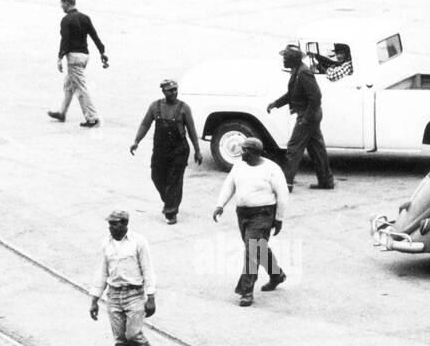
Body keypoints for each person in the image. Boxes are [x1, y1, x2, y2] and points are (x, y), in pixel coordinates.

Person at [89, 209, 159, 346]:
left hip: (134, 294)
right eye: (110, 224)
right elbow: (102, 272)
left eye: (115, 224)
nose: (111, 228)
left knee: (133, 333)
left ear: (125, 224)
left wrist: (151, 296)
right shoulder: (106, 244)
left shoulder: (138, 242)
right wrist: (94, 299)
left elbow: (148, 269)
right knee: (120, 340)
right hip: (113, 295)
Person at [212, 137, 288, 307]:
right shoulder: (239, 166)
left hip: (263, 213)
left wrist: (279, 219)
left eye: (245, 149)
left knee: (252, 249)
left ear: (254, 152)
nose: (241, 152)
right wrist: (220, 205)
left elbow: (283, 195)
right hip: (243, 214)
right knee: (258, 248)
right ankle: (277, 275)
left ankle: (246, 292)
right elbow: (229, 185)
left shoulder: (271, 169)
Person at [130, 79, 202, 224]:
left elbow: (192, 130)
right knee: (156, 176)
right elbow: (145, 124)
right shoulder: (155, 106)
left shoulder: (184, 108)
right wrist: (136, 141)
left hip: (179, 150)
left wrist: (197, 150)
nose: (174, 92)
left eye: (175, 89)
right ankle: (170, 200)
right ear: (163, 91)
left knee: (174, 181)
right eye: (170, 90)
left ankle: (171, 212)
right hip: (160, 150)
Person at [267, 43, 334, 191]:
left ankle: (286, 184)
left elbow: (316, 97)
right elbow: (292, 94)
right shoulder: (296, 71)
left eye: (285, 57)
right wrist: (275, 104)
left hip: (308, 114)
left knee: (294, 148)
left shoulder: (303, 72)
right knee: (317, 149)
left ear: (293, 59)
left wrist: (306, 119)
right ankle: (326, 181)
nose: (283, 60)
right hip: (311, 114)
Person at [49, 0, 108, 128]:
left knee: (81, 87)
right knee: (69, 85)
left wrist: (60, 57)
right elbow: (94, 36)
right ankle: (62, 112)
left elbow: (65, 40)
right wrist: (102, 52)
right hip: (84, 56)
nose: (61, 6)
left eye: (62, 3)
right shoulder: (85, 18)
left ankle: (93, 118)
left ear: (67, 3)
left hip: (74, 58)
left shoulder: (66, 20)